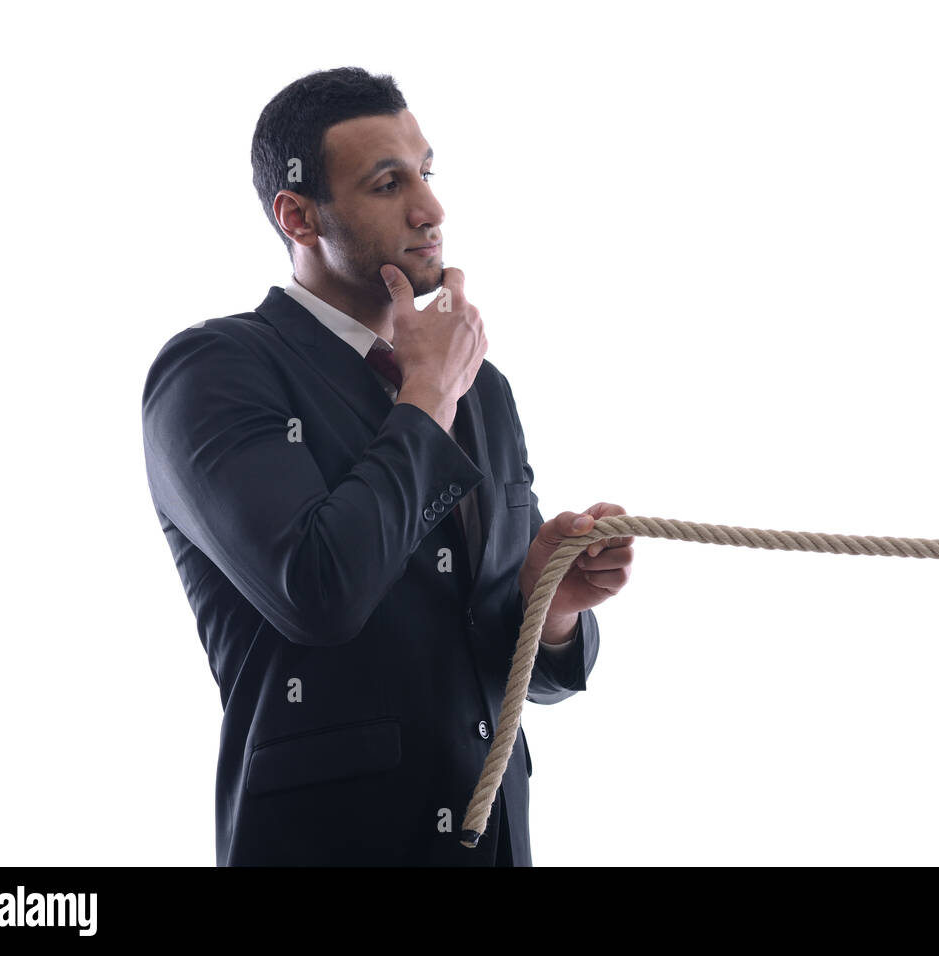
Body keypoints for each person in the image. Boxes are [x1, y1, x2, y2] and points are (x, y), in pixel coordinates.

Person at [140, 67, 634, 866]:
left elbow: (506, 680)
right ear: (298, 216)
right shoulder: (214, 370)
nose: (431, 210)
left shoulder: (483, 387)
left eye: (428, 173)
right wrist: (429, 390)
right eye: (386, 182)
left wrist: (552, 604)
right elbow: (320, 591)